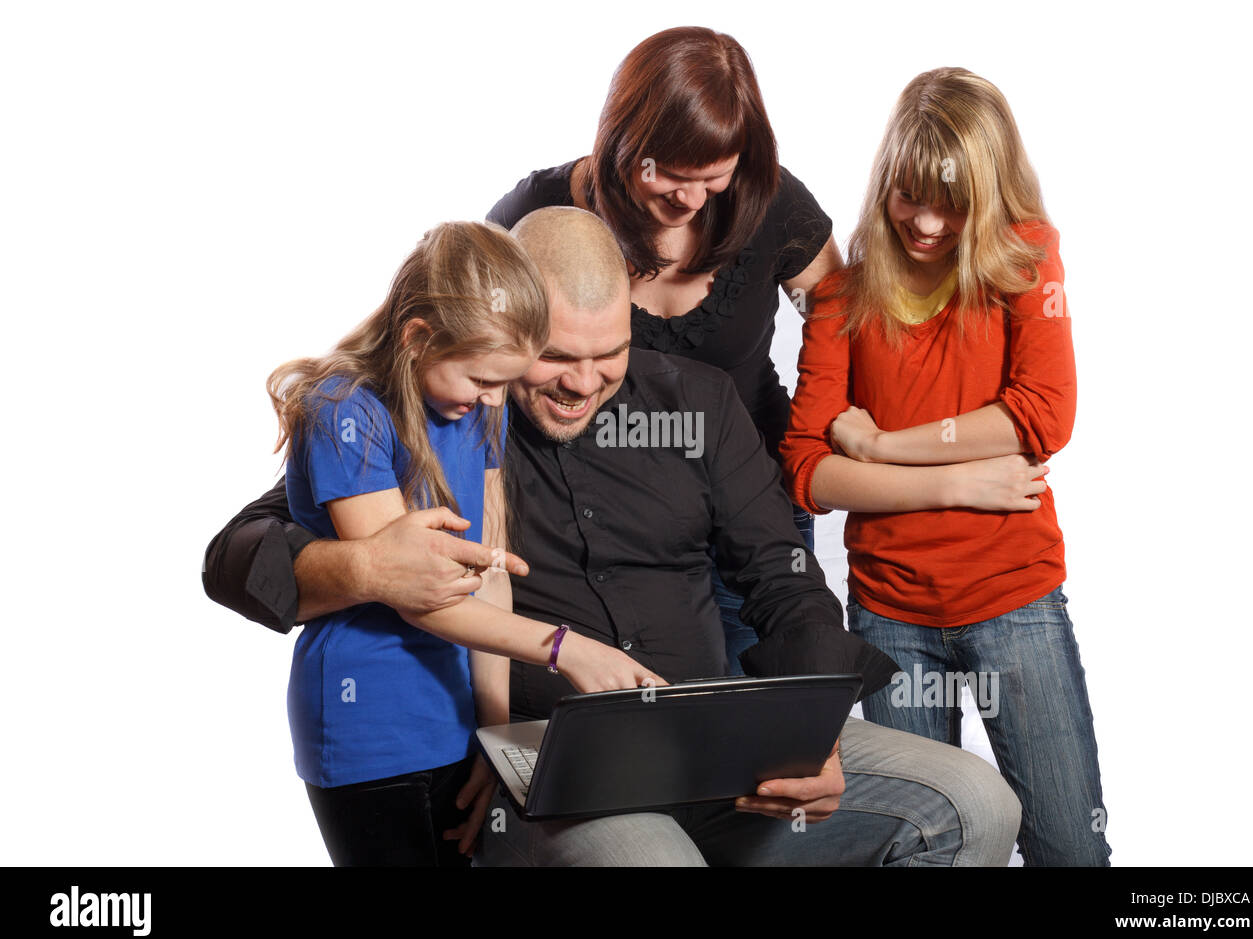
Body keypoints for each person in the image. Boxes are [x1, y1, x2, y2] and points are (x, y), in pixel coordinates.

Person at [206, 206, 1023, 866]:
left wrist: (807, 734)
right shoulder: (447, 413)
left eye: (610, 355)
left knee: (978, 805)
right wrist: (364, 567)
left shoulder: (696, 405)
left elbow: (782, 574)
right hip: (564, 768)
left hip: (717, 741)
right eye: (555, 357)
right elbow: (239, 552)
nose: (582, 382)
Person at [780, 68, 1109, 866]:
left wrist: (886, 444)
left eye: (952, 203)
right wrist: (954, 480)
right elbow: (808, 469)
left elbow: (1043, 416)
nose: (925, 223)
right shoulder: (845, 297)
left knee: (1070, 847)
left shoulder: (1028, 258)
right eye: (907, 196)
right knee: (918, 844)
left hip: (1014, 599)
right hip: (891, 612)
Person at [264, 221, 661, 867]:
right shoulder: (345, 410)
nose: (496, 399)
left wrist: (496, 734)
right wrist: (565, 647)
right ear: (419, 337)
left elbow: (493, 574)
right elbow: (414, 592)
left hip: (449, 714)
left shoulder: (481, 411)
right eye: (481, 379)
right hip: (368, 726)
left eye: (506, 382)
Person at [487, 26, 841, 675]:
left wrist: (832, 433)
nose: (691, 199)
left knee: (760, 722)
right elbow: (467, 338)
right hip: (621, 514)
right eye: (673, 177)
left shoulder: (771, 202)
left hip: (753, 501)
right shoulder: (538, 213)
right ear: (624, 143)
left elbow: (839, 321)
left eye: (714, 178)